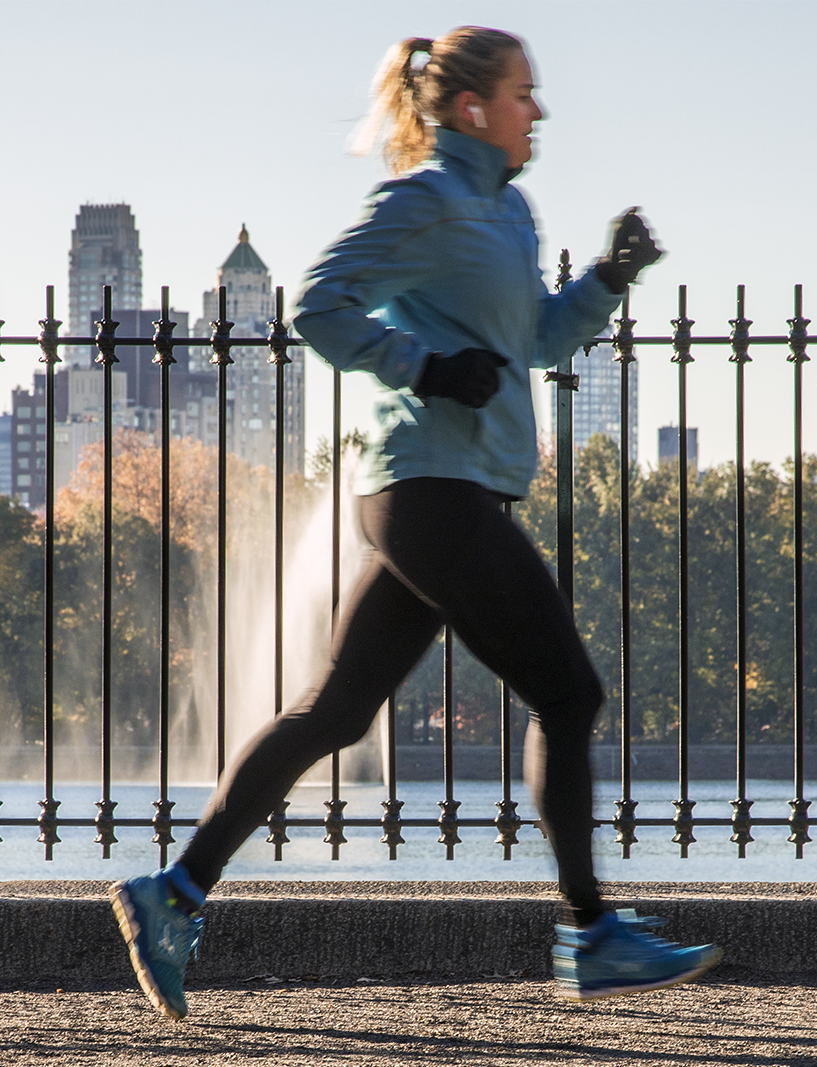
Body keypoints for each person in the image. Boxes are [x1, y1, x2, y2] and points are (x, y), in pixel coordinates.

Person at [111, 25, 721, 1021]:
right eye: (527, 94)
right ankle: (593, 931)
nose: (541, 112)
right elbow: (319, 305)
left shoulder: (509, 211)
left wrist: (607, 281)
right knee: (568, 693)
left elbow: (529, 339)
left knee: (335, 712)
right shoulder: (423, 199)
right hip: (424, 489)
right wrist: (423, 368)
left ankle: (170, 892)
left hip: (449, 494)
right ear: (474, 108)